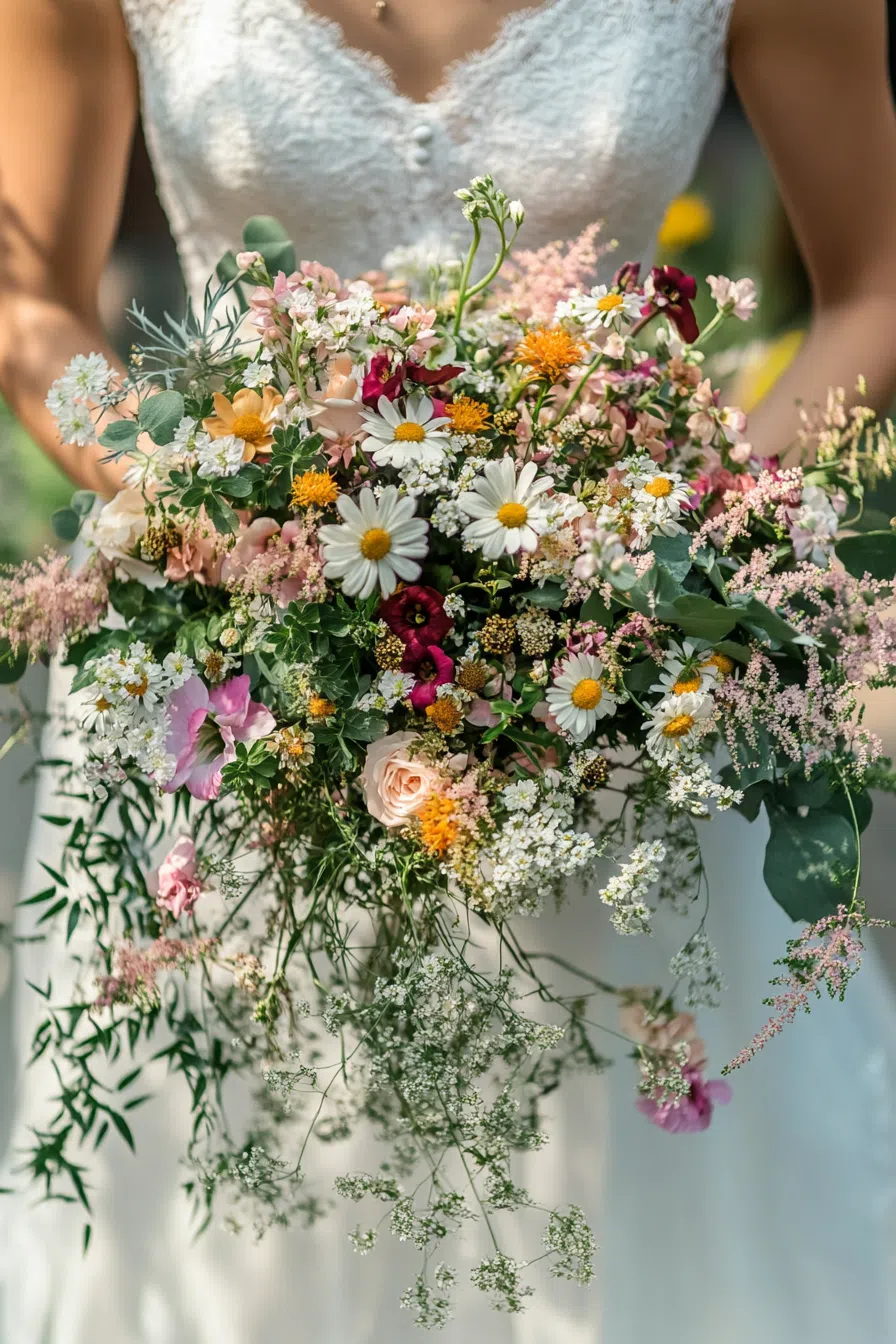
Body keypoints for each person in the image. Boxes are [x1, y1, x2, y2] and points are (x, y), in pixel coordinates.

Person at [1, 1, 896, 1340]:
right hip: (236, 693)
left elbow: (877, 282)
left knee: (625, 1220)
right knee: (241, 1219)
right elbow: (31, 304)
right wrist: (200, 502)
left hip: (610, 696)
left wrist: (665, 557)